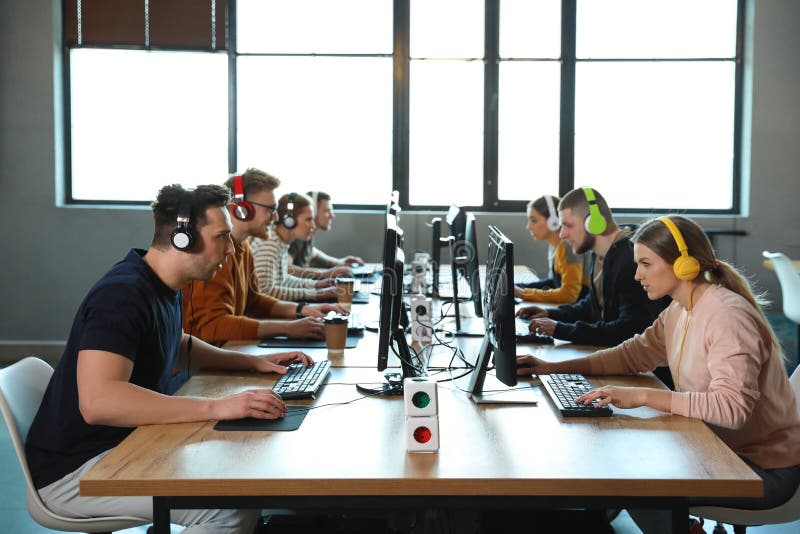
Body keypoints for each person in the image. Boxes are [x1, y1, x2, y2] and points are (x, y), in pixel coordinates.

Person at [25, 184, 317, 532]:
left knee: (240, 478)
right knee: (227, 510)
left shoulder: (160, 285)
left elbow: (175, 344)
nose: (231, 248)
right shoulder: (121, 295)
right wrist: (216, 407)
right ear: (183, 239)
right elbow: (100, 402)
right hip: (77, 471)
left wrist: (253, 363)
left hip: (122, 443)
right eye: (221, 237)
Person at [517, 215, 800, 532]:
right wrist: (550, 368)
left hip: (761, 469)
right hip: (716, 450)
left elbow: (732, 409)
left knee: (636, 484)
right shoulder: (681, 309)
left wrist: (641, 396)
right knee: (623, 466)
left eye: (646, 264)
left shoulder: (727, 316)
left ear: (684, 265)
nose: (637, 275)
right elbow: (632, 354)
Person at [182, 169, 345, 345]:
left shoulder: (244, 247)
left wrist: (303, 309)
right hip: (206, 358)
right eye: (270, 209)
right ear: (242, 209)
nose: (276, 217)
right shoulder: (214, 254)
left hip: (229, 348)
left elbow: (255, 301)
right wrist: (287, 328)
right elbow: (213, 325)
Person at [517, 187, 670, 347]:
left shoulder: (630, 261)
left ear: (593, 223)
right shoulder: (602, 253)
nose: (562, 234)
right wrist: (552, 314)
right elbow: (593, 304)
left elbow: (630, 329)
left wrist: (562, 330)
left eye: (568, 225)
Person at [250, 192, 339, 301]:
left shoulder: (280, 242)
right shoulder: (270, 245)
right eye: (308, 219)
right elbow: (265, 291)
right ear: (289, 220)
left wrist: (317, 285)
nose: (313, 225)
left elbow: (284, 280)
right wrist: (316, 294)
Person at [515, 194, 590, 304]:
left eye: (534, 220)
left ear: (553, 221)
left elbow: (569, 295)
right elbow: (553, 282)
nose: (529, 226)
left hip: (583, 309)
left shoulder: (568, 246)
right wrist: (517, 288)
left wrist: (524, 293)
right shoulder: (556, 244)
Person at [287, 190, 364, 280]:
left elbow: (313, 253)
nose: (332, 216)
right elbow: (287, 268)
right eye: (327, 211)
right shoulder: (298, 236)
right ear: (313, 211)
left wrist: (339, 262)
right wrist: (324, 274)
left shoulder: (307, 236)